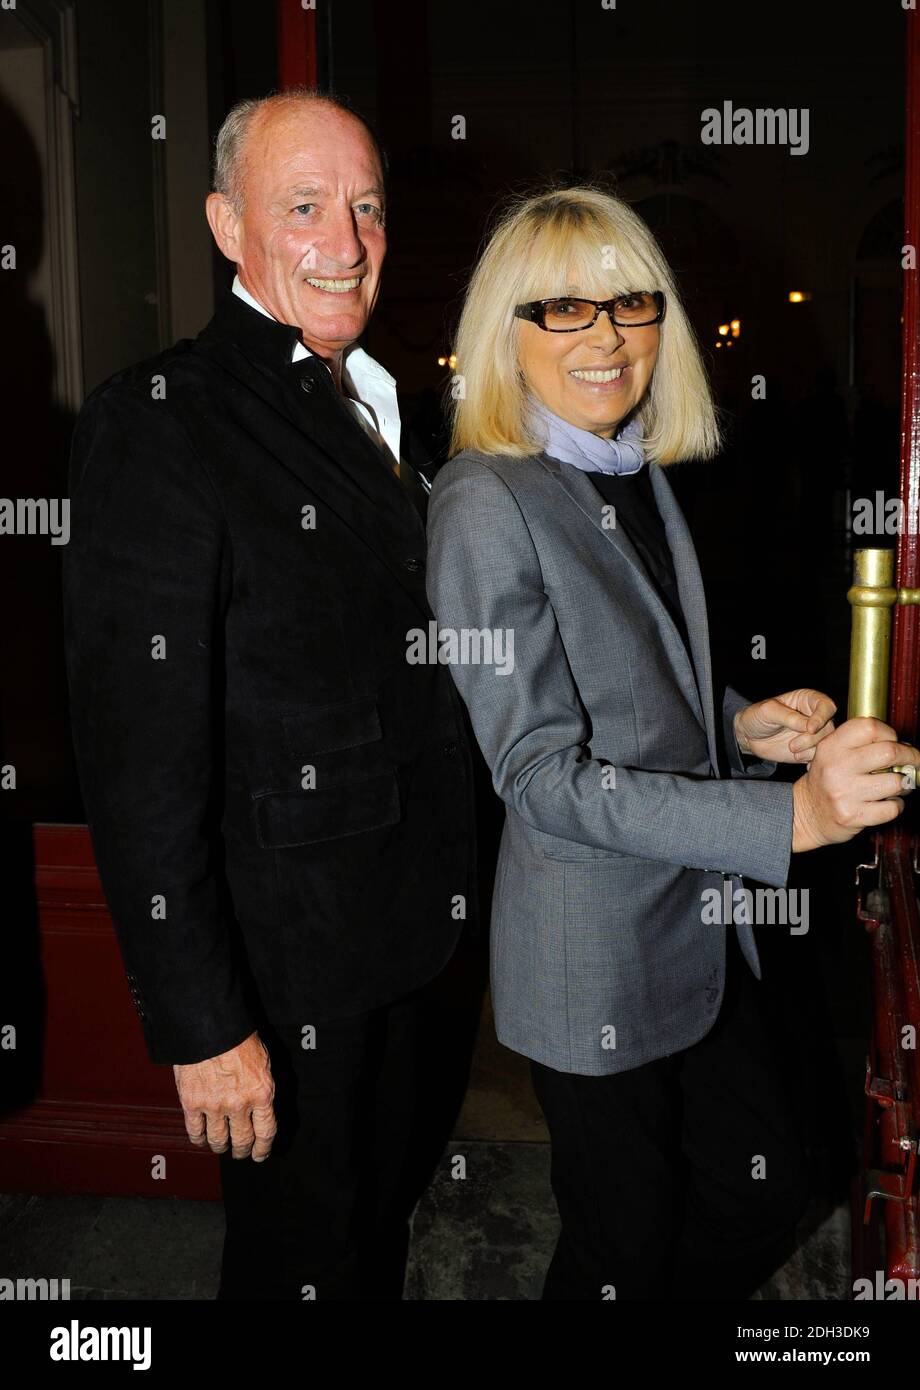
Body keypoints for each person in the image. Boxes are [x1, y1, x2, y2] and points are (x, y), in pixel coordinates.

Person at [425, 185, 919, 1301]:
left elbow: (628, 681)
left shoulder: (625, 466)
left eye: (628, 302)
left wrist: (737, 722)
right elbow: (538, 772)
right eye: (561, 307)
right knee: (619, 1243)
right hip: (590, 949)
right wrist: (789, 815)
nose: (604, 335)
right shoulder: (485, 500)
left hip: (696, 928)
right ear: (505, 330)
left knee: (765, 1180)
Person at [63, 89, 476, 1301]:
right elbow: (137, 761)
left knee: (374, 1240)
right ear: (224, 226)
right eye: (302, 208)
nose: (344, 244)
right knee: (300, 1264)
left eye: (365, 209)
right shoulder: (161, 423)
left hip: (417, 942)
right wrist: (198, 1021)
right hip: (289, 980)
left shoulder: (399, 403)